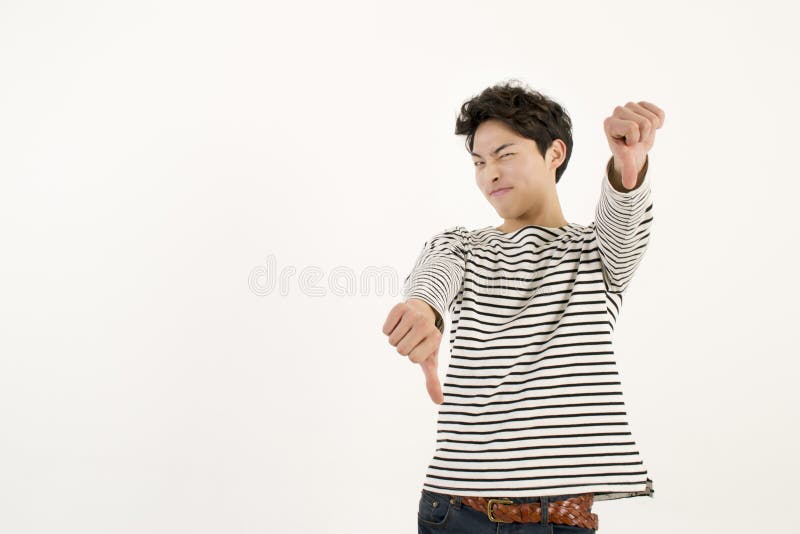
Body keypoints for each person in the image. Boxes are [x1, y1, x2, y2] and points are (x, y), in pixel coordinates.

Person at [382, 80, 665, 532]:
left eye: (505, 154)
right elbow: (434, 274)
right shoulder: (462, 246)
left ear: (555, 153)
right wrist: (423, 310)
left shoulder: (595, 254)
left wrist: (626, 168)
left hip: (558, 518)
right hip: (452, 511)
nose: (489, 174)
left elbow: (624, 222)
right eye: (479, 162)